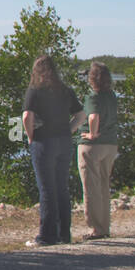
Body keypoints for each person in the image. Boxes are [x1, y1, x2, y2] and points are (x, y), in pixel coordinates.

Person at [22, 55, 84, 246]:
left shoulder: (35, 90)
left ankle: (47, 236)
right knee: (61, 188)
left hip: (43, 141)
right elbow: (81, 115)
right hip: (64, 142)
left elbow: (26, 117)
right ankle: (64, 234)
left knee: (47, 189)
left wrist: (31, 136)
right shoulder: (65, 90)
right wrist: (68, 130)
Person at [76, 61, 119, 240]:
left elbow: (93, 116)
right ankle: (104, 226)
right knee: (103, 186)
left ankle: (96, 229)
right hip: (110, 144)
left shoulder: (93, 97)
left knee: (91, 188)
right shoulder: (112, 96)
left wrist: (92, 134)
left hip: (92, 146)